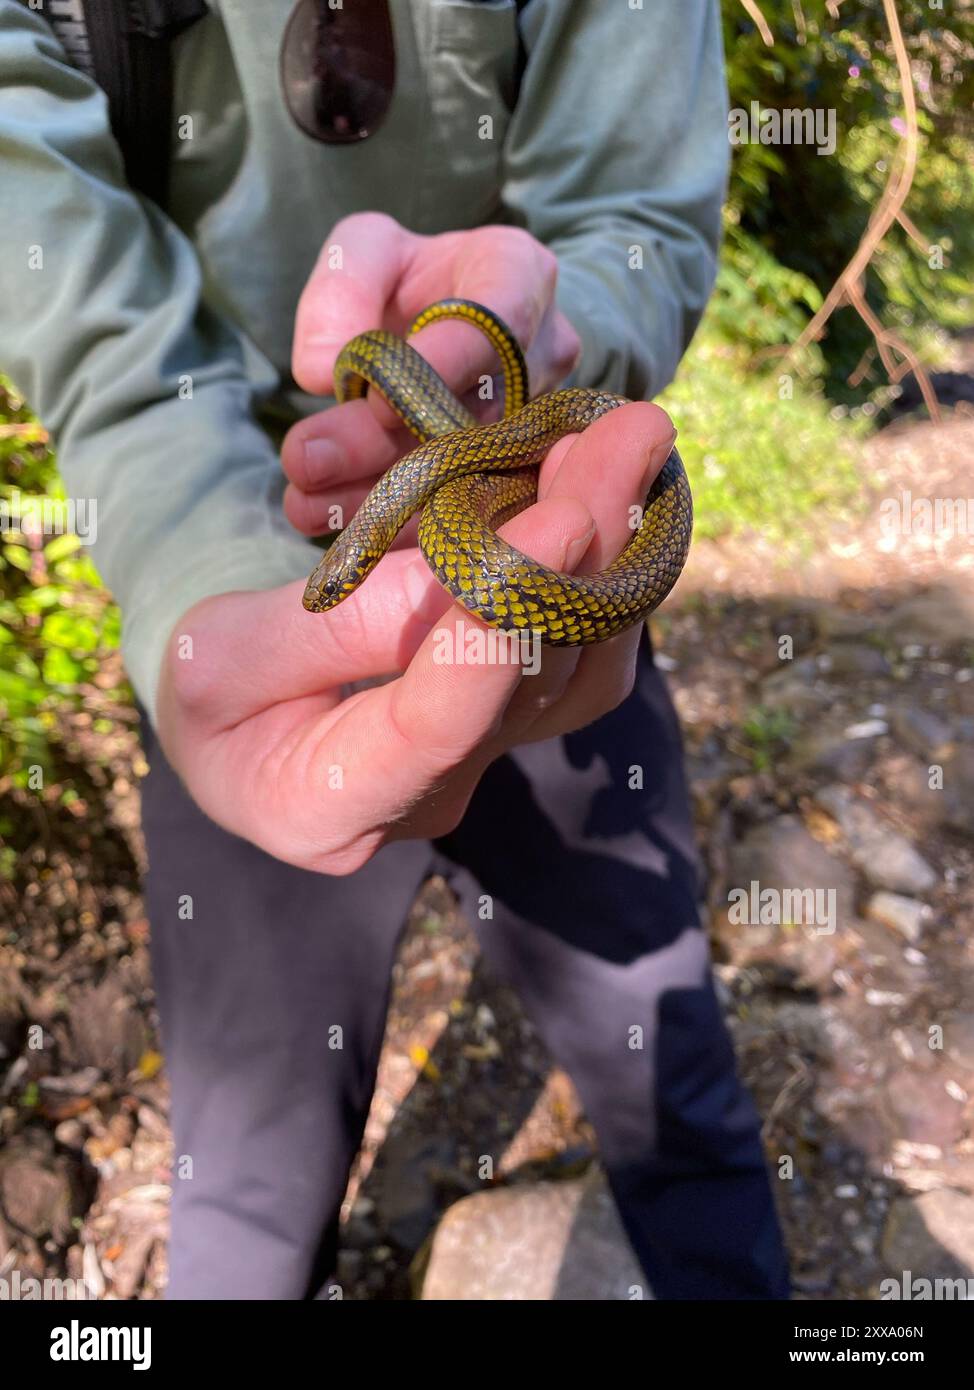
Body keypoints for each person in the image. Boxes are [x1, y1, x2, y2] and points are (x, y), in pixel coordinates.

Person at [0, 0, 790, 1298]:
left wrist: (546, 332)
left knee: (670, 1085)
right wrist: (203, 563)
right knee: (247, 1176)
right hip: (247, 638)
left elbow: (635, 218)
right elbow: (69, 267)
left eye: (363, 560)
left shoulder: (463, 472)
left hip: (550, 566)